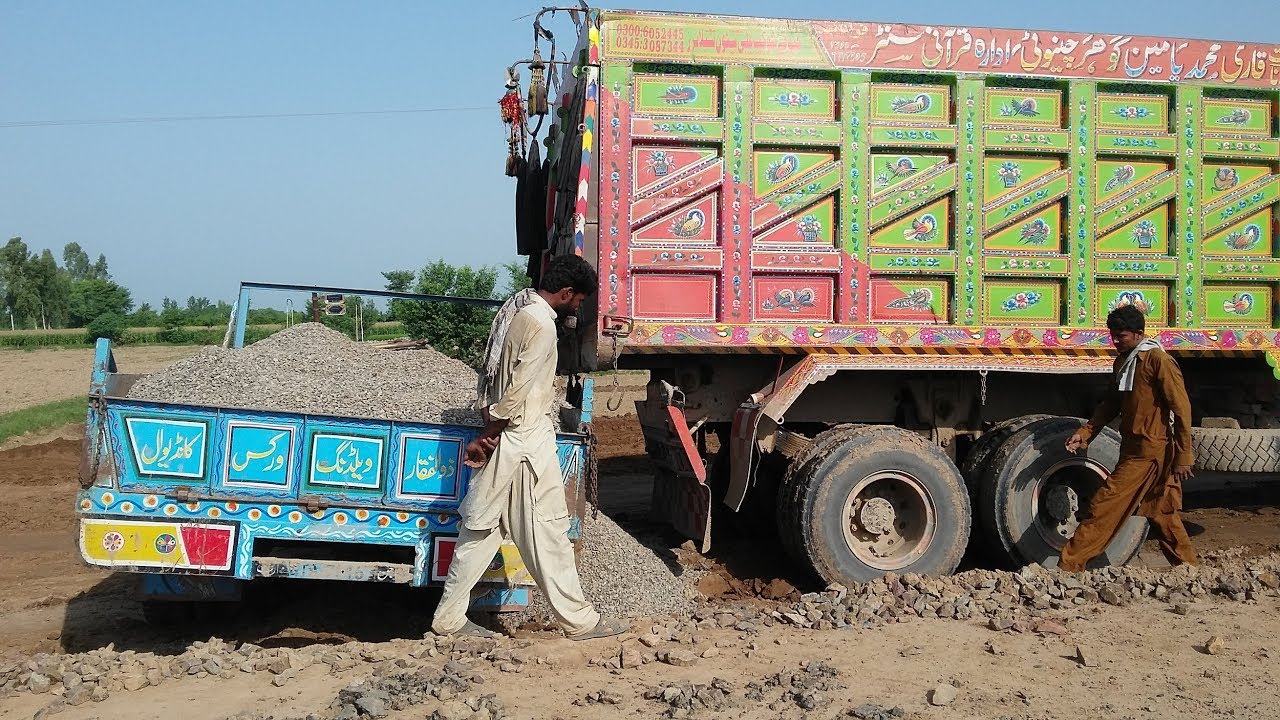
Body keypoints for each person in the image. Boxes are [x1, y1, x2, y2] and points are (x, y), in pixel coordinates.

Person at [432, 254, 628, 641]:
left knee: (481, 532)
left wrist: (491, 433)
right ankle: (580, 622)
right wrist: (490, 432)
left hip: (509, 441)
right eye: (579, 300)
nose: (578, 308)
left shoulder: (522, 314)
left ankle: (449, 619)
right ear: (566, 293)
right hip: (525, 445)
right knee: (549, 534)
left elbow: (501, 382)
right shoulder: (541, 324)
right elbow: (517, 389)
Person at [1058, 304, 1198, 572]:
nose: (1115, 341)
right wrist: (1085, 433)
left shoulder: (1158, 361)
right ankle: (1189, 570)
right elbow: (1110, 404)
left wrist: (1183, 456)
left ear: (1138, 334)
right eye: (1113, 335)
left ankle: (1068, 567)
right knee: (1162, 512)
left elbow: (1182, 410)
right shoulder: (1124, 361)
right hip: (1133, 449)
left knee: (1104, 506)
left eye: (1121, 336)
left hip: (1151, 451)